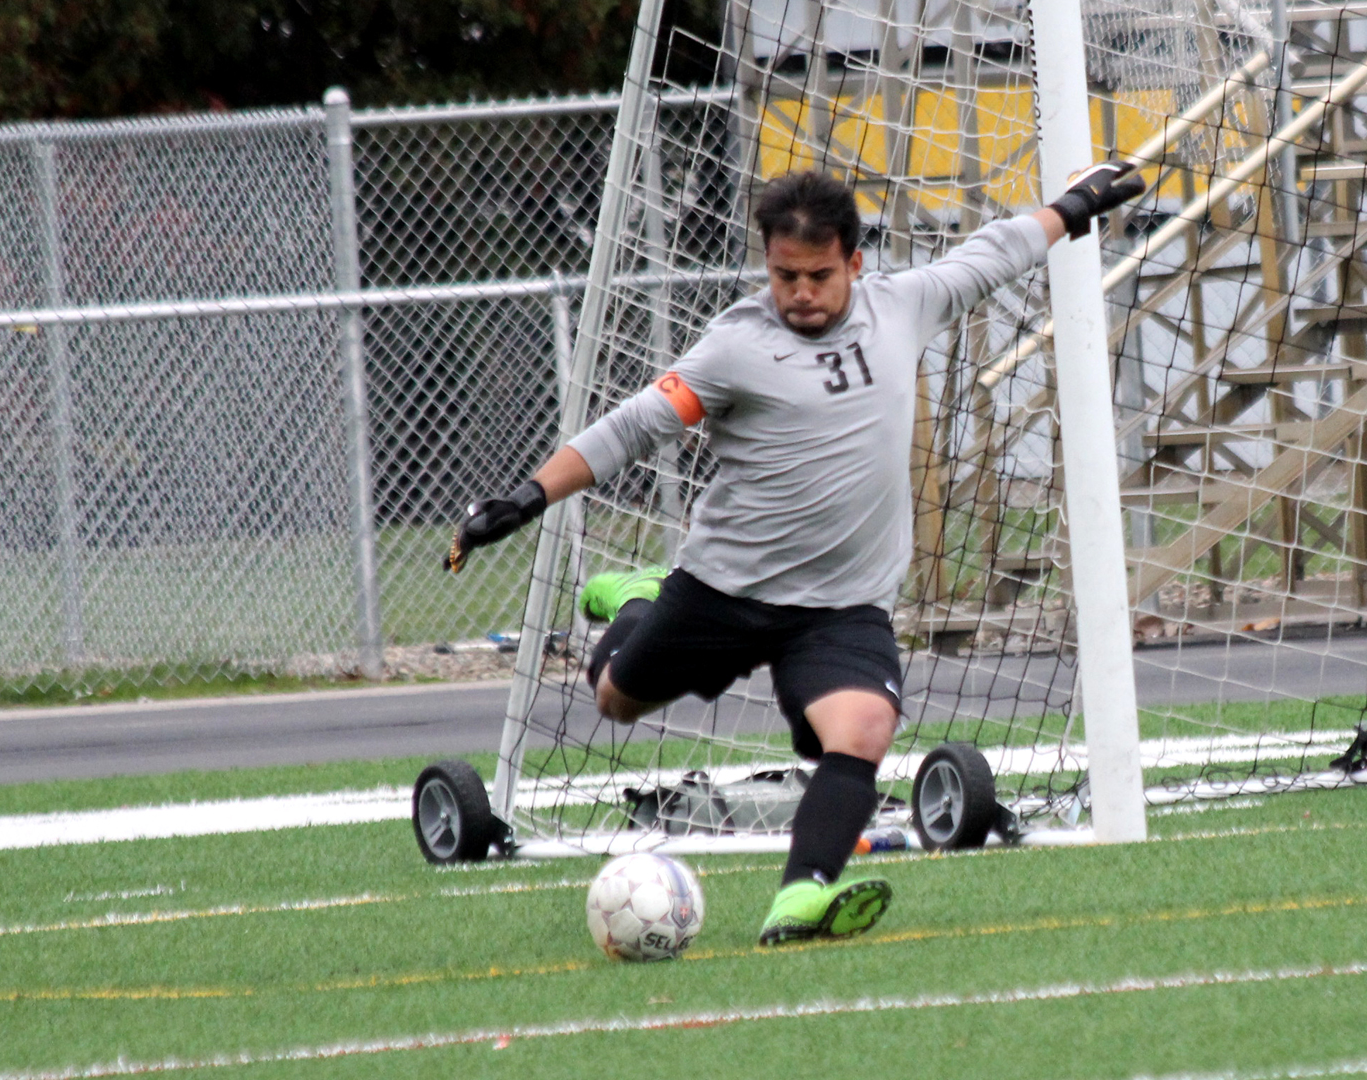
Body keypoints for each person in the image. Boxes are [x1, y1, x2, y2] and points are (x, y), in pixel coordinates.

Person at [444, 164, 1145, 945]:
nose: (800, 293)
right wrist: (528, 497)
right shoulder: (735, 347)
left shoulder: (902, 306)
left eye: (817, 275)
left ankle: (801, 898)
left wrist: (1071, 208)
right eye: (784, 276)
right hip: (722, 589)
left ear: (854, 263)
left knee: (865, 729)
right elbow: (632, 426)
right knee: (615, 698)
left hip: (843, 605)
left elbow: (994, 252)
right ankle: (642, 599)